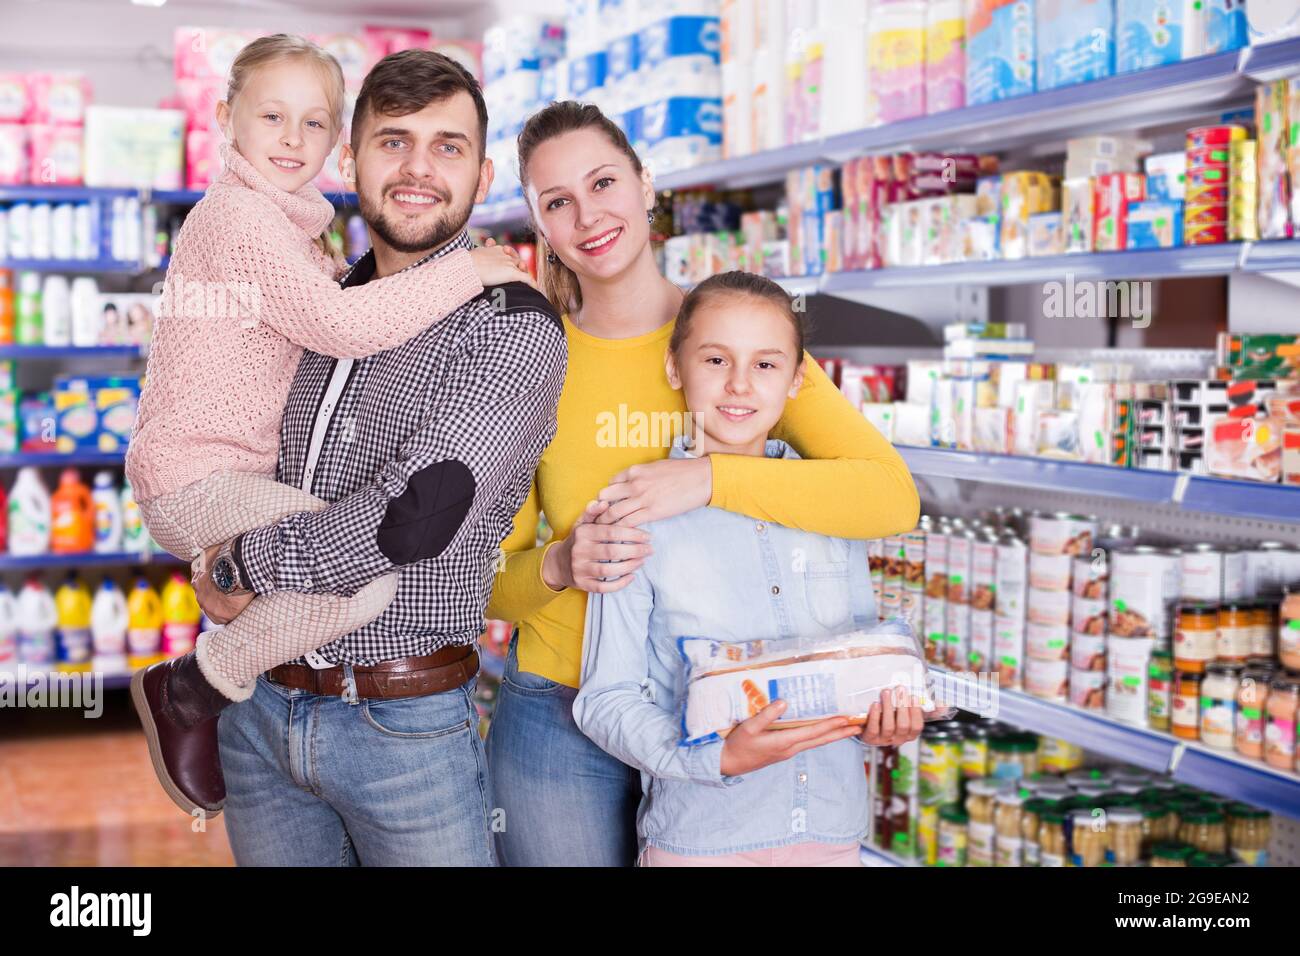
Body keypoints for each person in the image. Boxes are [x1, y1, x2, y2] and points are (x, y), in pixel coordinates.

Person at [485, 101, 921, 867]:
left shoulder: (735, 334)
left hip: (729, 710)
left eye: (604, 182)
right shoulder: (530, 360)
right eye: (558, 202)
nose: (589, 216)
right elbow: (489, 587)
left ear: (646, 183)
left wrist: (709, 479)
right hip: (557, 717)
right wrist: (562, 563)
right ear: (538, 224)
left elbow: (887, 496)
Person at [127, 34, 529, 819]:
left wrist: (239, 571)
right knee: (362, 577)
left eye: (313, 123)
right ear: (225, 118)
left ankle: (197, 685)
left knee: (346, 571)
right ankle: (191, 690)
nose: (291, 138)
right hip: (196, 477)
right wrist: (466, 268)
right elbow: (338, 325)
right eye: (272, 116)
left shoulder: (293, 230)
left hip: (222, 490)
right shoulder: (241, 217)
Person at [575, 270, 926, 866]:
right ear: (673, 368)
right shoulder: (636, 513)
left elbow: (856, 658)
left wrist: (882, 715)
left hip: (834, 837)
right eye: (715, 359)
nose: (739, 385)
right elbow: (605, 699)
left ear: (796, 380)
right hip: (703, 841)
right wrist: (713, 759)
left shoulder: (835, 504)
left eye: (765, 365)